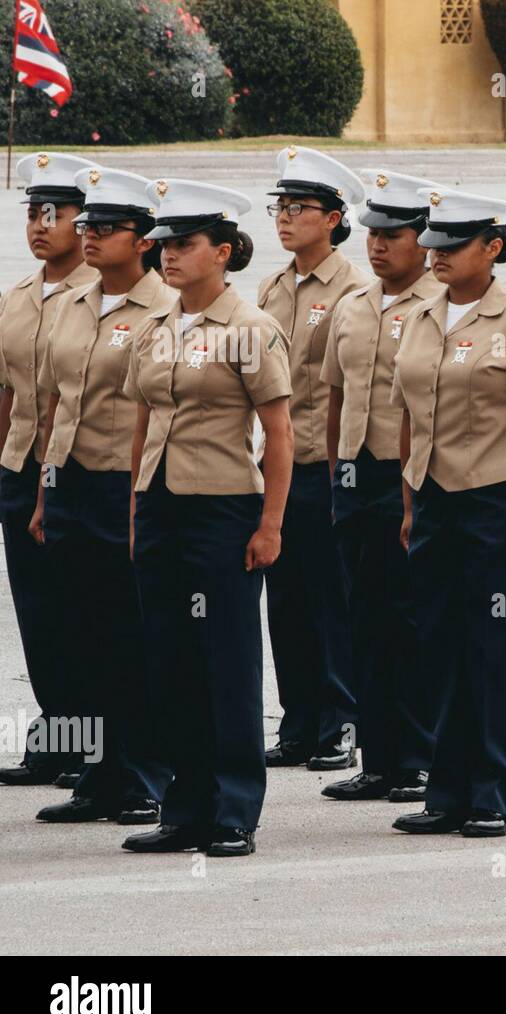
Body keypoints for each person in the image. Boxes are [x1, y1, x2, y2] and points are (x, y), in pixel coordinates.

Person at [391, 187, 506, 837]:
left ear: (491, 249)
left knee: (492, 654)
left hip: (498, 503)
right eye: (431, 244)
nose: (434, 257)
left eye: (452, 246)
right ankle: (447, 792)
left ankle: (494, 794)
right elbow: (410, 417)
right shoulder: (418, 319)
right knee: (439, 648)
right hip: (435, 504)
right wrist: (412, 503)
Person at [121, 179, 293, 857]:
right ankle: (182, 805)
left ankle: (232, 810)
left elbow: (279, 434)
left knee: (224, 660)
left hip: (222, 509)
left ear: (222, 252)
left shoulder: (249, 330)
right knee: (170, 659)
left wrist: (271, 524)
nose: (168, 255)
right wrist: (137, 505)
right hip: (161, 508)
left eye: (185, 244)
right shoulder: (155, 326)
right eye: (163, 244)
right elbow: (142, 418)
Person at [29, 166, 176, 825]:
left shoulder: (167, 310)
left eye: (106, 228)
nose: (88, 236)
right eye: (86, 225)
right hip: (67, 487)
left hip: (127, 488)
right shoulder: (70, 303)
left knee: (131, 636)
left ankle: (143, 773)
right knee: (78, 635)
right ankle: (97, 773)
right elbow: (51, 401)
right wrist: (43, 492)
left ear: (145, 240)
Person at [319, 170, 442, 803]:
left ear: (425, 237)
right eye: (372, 234)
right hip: (357, 475)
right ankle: (378, 757)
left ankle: (419, 756)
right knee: (362, 617)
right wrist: (340, 466)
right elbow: (336, 394)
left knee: (412, 618)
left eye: (393, 235)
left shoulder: (438, 306)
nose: (378, 246)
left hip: (411, 476)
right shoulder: (354, 306)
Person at [258, 146, 367, 772]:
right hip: (279, 466)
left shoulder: (354, 288)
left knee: (333, 596)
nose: (285, 218)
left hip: (327, 462)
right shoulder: (274, 286)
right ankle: (297, 721)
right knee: (287, 598)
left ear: (332, 217)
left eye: (299, 208)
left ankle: (341, 720)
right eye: (281, 207)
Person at [0, 152, 97, 786]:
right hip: (18, 466)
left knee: (85, 611)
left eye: (54, 214)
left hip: (76, 473)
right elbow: (6, 391)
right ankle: (58, 736)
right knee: (37, 612)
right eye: (34, 213)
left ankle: (99, 742)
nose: (41, 225)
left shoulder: (99, 297)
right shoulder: (17, 298)